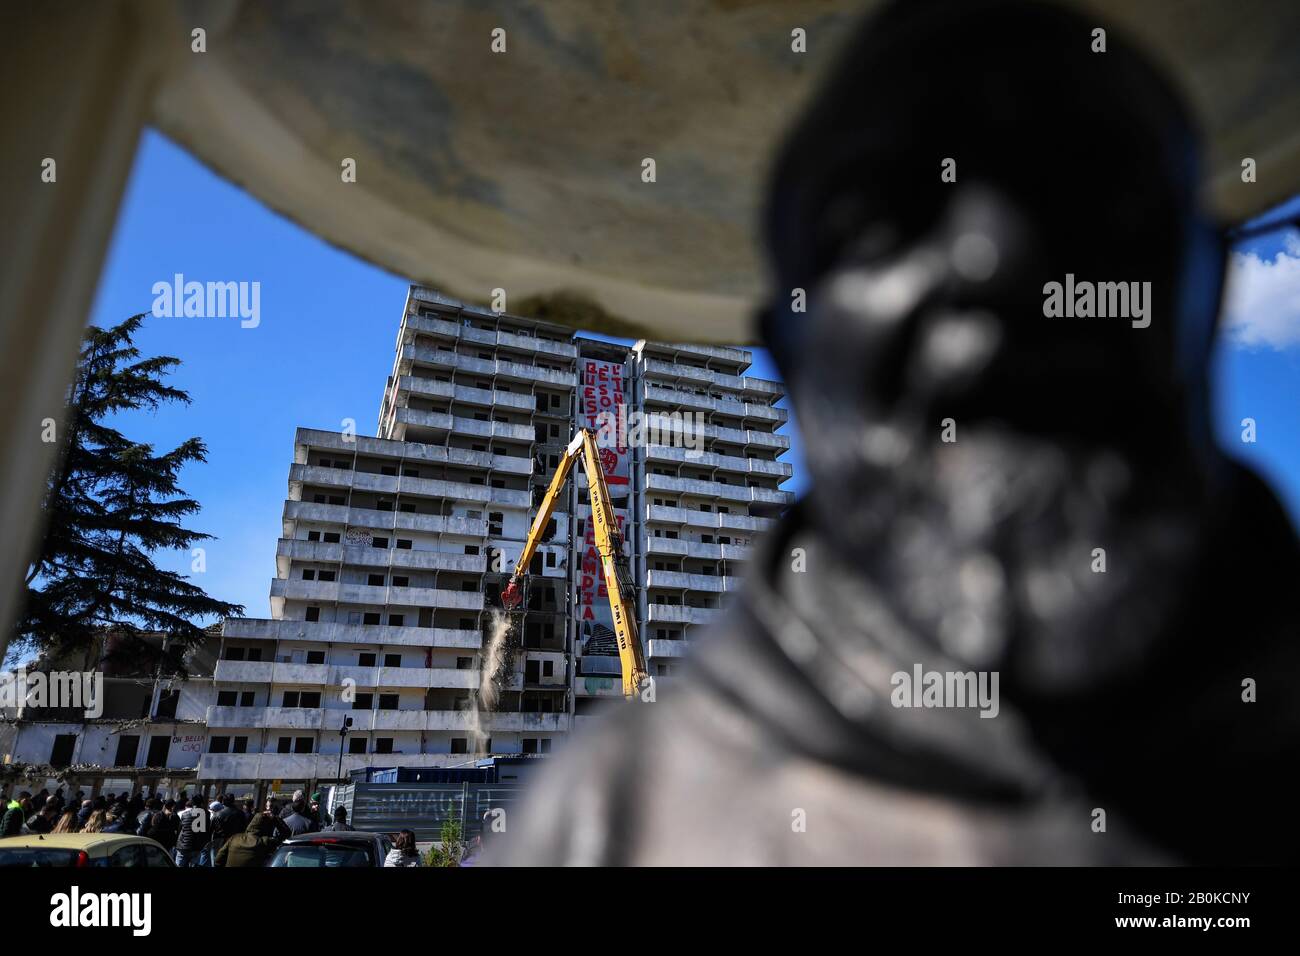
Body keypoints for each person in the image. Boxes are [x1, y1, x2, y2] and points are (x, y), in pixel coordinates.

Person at [494, 0, 1300, 866]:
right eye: (878, 221)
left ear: (1209, 285)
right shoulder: (602, 826)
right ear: (790, 353)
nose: (996, 261)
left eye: (1084, 188)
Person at [174, 799, 209, 866]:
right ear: (202, 804)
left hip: (183, 846)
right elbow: (206, 832)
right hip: (196, 847)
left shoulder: (185, 814)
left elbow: (180, 829)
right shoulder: (205, 815)